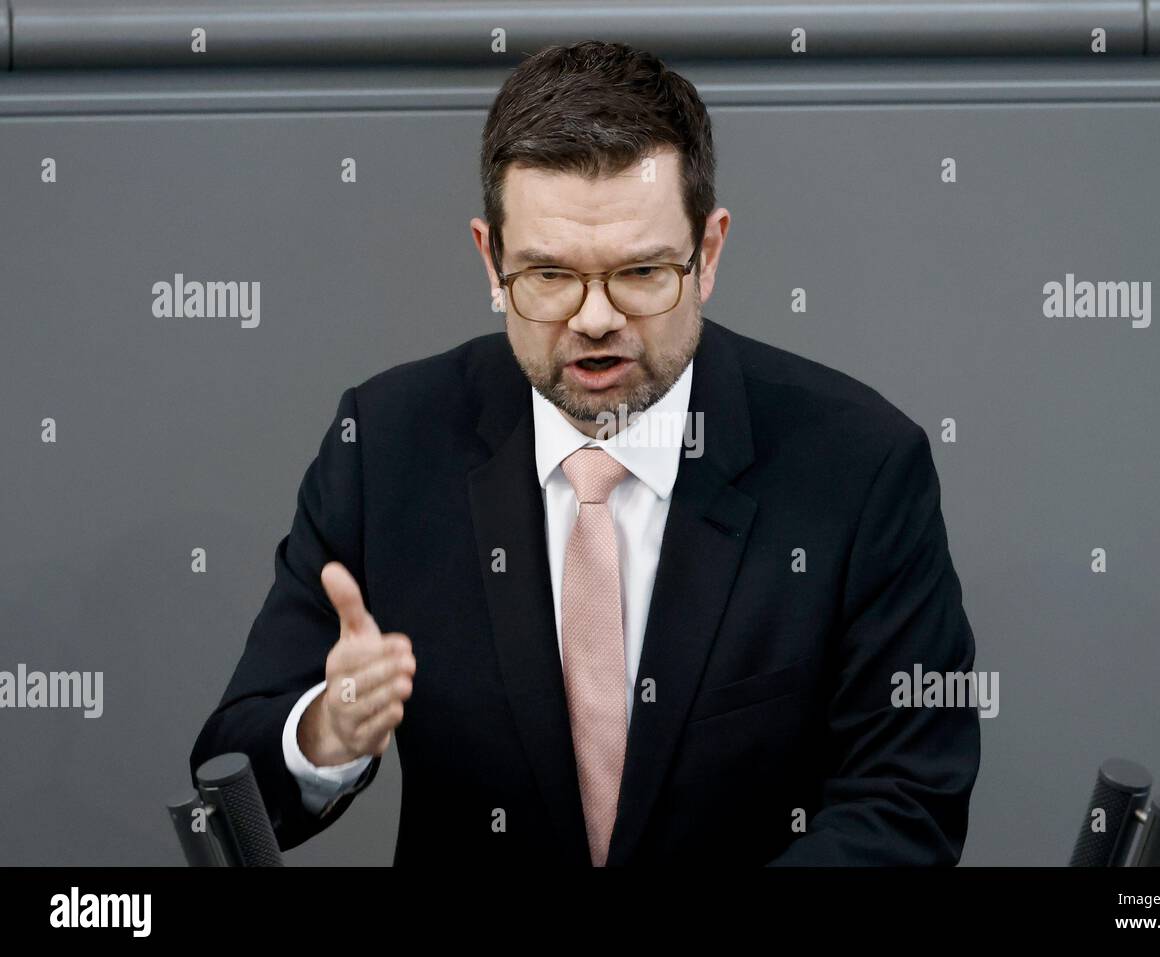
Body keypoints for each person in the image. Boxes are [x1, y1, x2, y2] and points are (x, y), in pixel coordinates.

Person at [190, 39, 980, 866]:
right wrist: (324, 731)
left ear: (708, 254)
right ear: (490, 259)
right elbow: (228, 779)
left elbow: (908, 800)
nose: (595, 318)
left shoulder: (859, 465)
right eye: (548, 276)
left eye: (639, 272)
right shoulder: (384, 446)